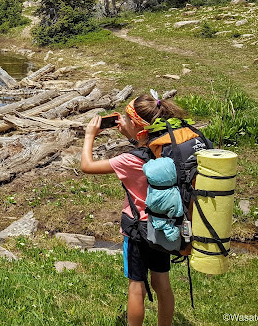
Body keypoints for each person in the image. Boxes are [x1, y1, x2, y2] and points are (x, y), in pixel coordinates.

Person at [80, 94, 189, 326]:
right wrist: (131, 134)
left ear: (139, 128)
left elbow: (87, 166)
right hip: (162, 225)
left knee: (136, 286)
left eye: (127, 120)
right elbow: (143, 144)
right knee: (162, 284)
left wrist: (89, 136)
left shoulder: (128, 160)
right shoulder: (166, 151)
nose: (123, 123)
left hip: (137, 228)